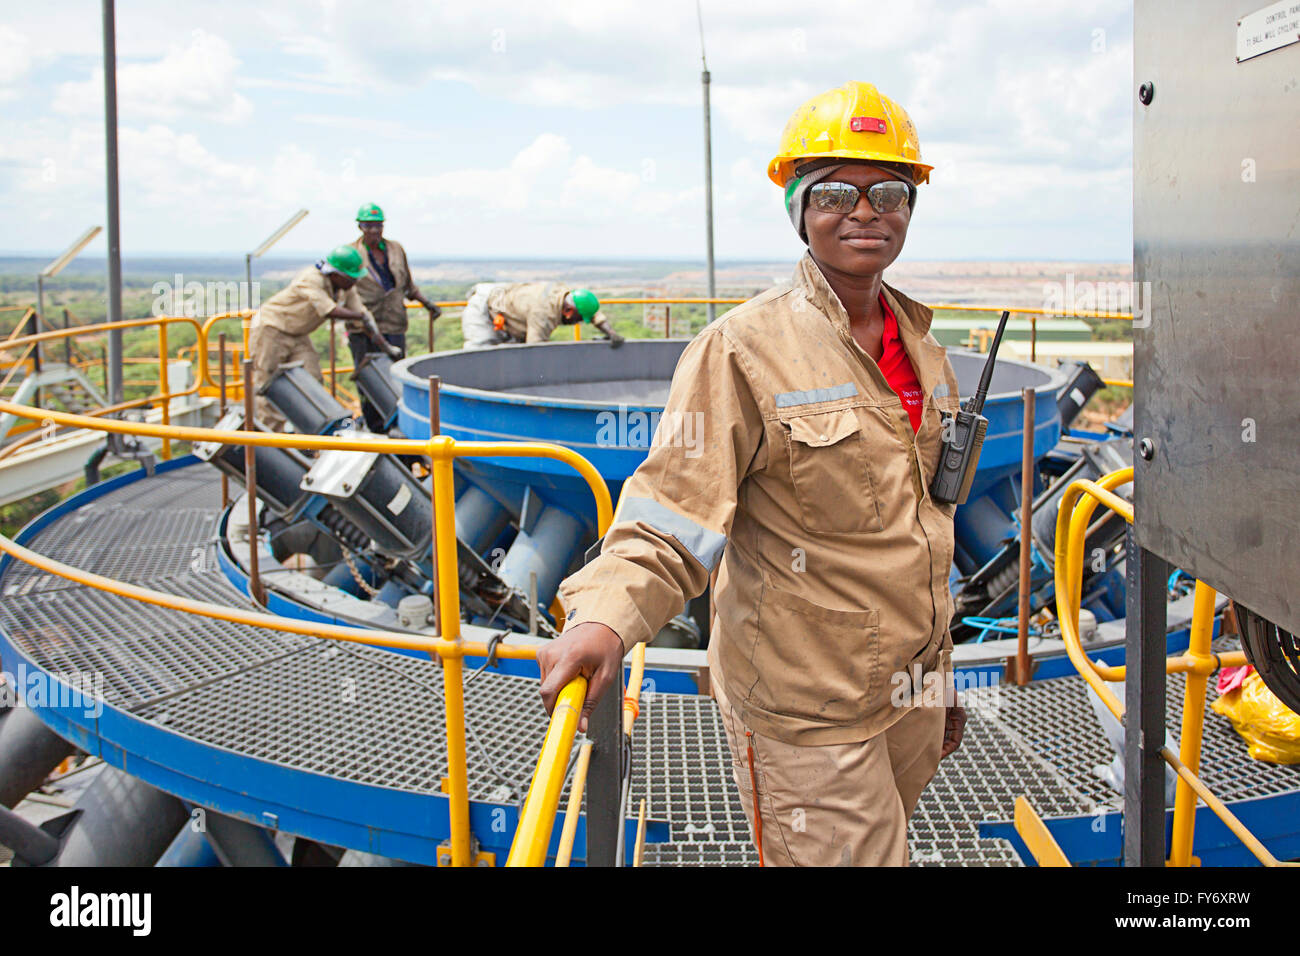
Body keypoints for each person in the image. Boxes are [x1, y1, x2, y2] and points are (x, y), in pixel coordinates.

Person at [537, 81, 967, 867]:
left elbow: (924, 524)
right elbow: (675, 507)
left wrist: (939, 673)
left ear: (911, 207)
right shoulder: (742, 349)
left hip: (911, 692)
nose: (865, 210)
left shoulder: (922, 346)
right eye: (836, 191)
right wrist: (604, 615)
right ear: (799, 207)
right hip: (810, 708)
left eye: (890, 193)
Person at [247, 245, 399, 431]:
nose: (354, 283)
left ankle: (308, 438)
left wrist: (385, 346)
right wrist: (360, 317)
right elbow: (330, 310)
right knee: (268, 384)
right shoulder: (311, 279)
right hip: (271, 329)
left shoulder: (345, 287)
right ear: (336, 275)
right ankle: (272, 440)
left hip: (298, 333)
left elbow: (361, 314)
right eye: (351, 278)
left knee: (311, 380)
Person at [347, 203, 441, 430]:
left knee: (395, 374)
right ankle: (375, 427)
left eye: (377, 225)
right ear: (360, 226)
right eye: (368, 226)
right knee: (369, 378)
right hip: (364, 327)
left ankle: (400, 424)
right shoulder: (352, 253)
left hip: (394, 323)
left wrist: (427, 304)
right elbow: (345, 289)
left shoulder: (395, 249)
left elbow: (407, 285)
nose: (373, 231)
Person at [459, 282, 625, 349]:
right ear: (568, 312)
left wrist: (610, 333)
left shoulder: (567, 295)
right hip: (484, 310)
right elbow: (535, 350)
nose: (579, 323)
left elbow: (590, 311)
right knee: (480, 356)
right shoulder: (543, 314)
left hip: (509, 307)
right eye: (579, 319)